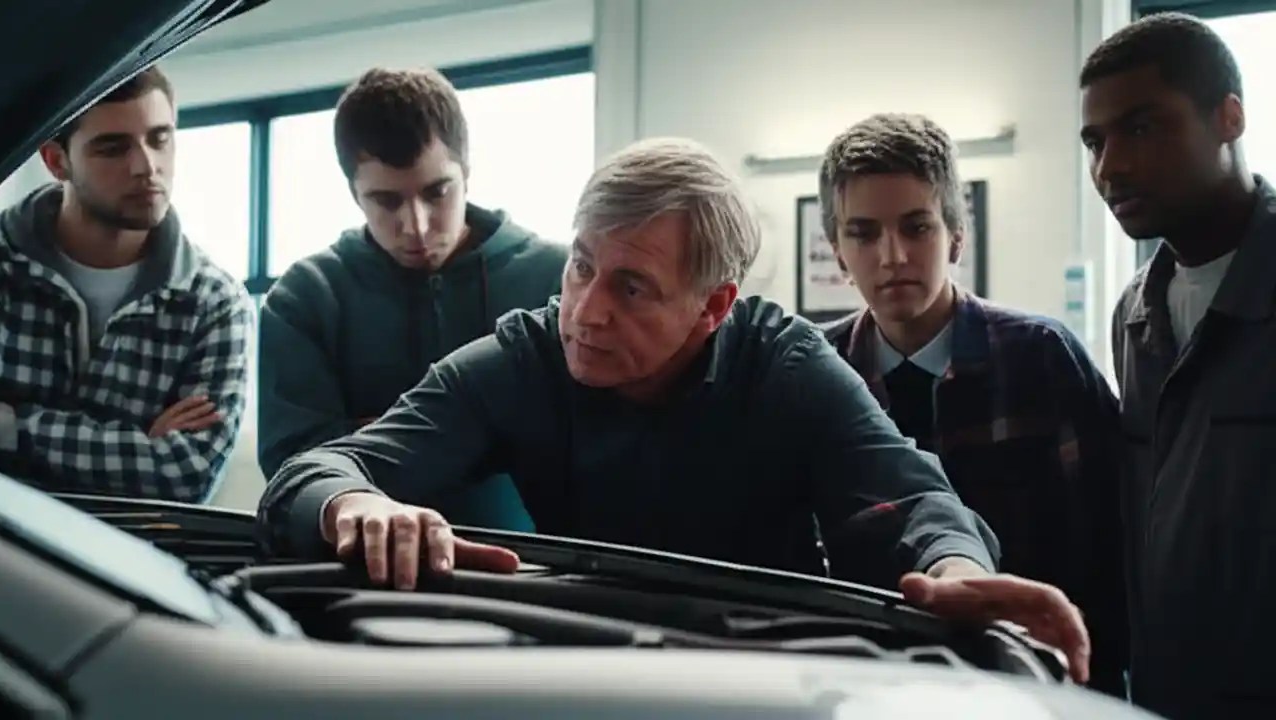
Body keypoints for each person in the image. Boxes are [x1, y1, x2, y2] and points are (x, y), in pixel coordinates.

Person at [258, 136, 1093, 682]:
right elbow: (317, 470)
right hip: (582, 673)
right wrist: (354, 502)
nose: (585, 312)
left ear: (714, 305)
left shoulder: (785, 365)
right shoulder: (524, 357)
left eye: (631, 287)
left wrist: (957, 571)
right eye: (581, 267)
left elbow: (913, 497)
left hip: (762, 680)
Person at [815, 113, 1127, 696]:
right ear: (837, 250)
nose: (892, 255)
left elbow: (1110, 549)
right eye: (863, 233)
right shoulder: (818, 369)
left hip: (1033, 680)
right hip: (865, 681)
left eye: (916, 228)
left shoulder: (1040, 356)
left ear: (956, 236)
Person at [257, 67, 567, 531]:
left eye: (437, 192)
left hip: (539, 560)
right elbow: (295, 471)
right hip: (364, 563)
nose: (416, 226)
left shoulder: (560, 278)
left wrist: (372, 435)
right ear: (353, 193)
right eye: (386, 201)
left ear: (467, 171)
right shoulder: (303, 297)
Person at [1081, 12, 1276, 718]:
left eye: (1141, 127)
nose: (1110, 167)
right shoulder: (1136, 314)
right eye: (1095, 142)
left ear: (1229, 118)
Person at [0, 66, 253, 503]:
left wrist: (8, 427)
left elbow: (184, 476)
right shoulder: (2, 269)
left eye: (160, 139)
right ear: (57, 161)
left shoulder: (214, 302)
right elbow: (158, 468)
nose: (146, 167)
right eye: (113, 149)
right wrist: (139, 444)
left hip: (129, 547)